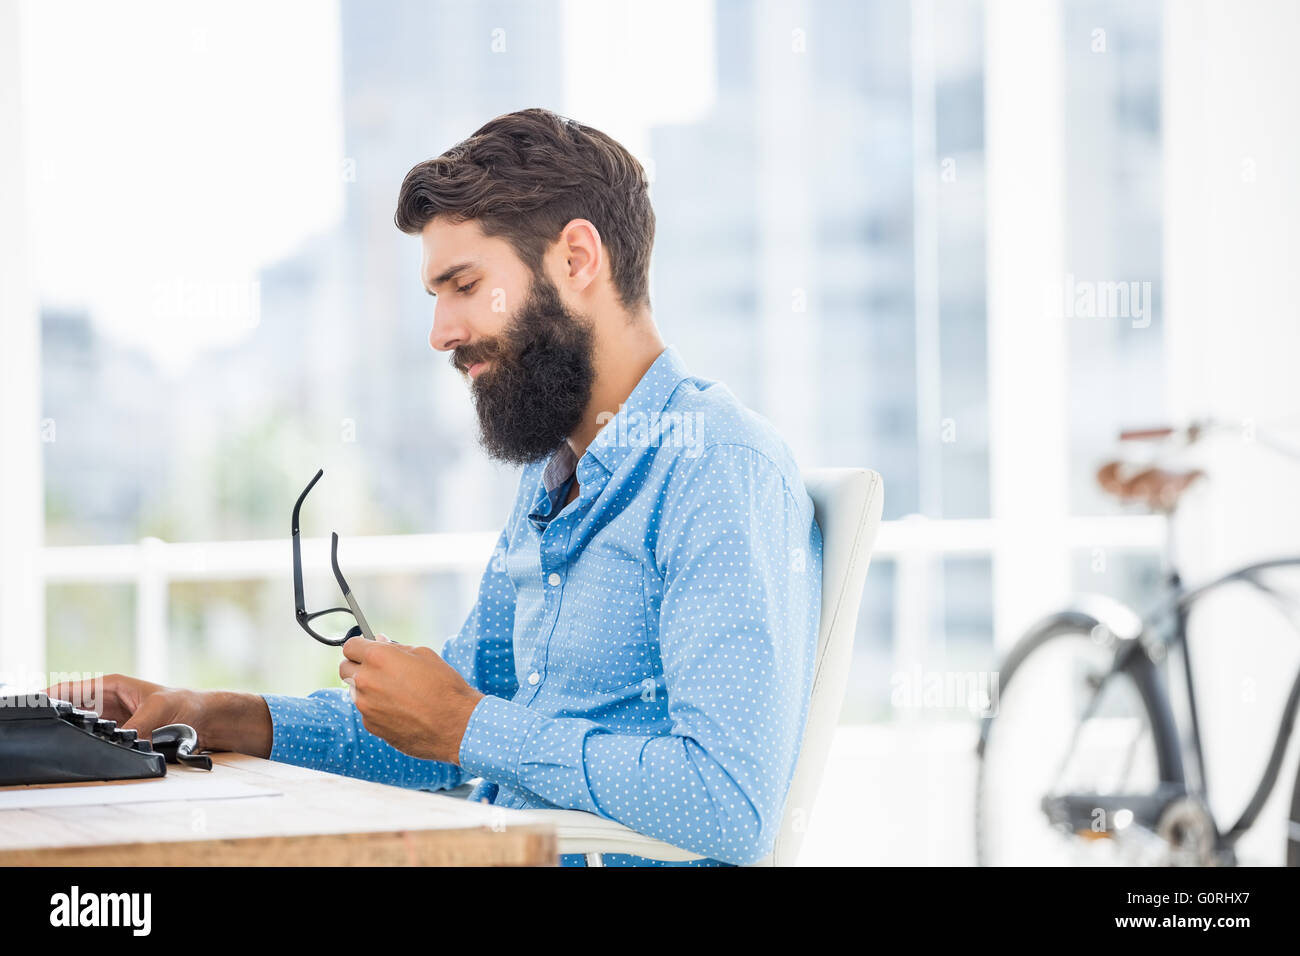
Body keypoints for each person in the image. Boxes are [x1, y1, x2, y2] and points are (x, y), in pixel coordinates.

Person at [48, 108, 823, 867]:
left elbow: (730, 805)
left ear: (577, 260)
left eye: (464, 285)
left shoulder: (717, 470)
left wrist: (470, 726)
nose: (442, 333)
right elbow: (436, 735)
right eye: (435, 296)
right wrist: (221, 715)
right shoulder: (551, 479)